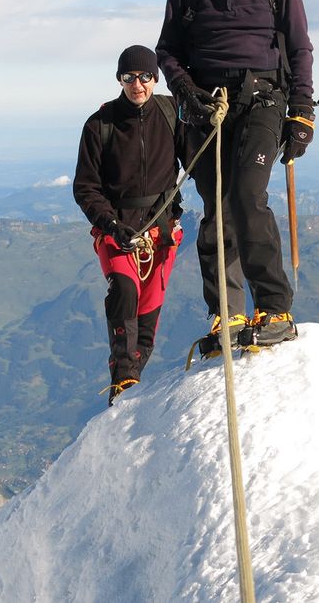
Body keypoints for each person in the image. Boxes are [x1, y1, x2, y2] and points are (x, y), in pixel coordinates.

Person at [155, 0, 316, 355]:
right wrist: (186, 91)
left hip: (263, 99)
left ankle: (275, 308)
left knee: (246, 196)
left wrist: (302, 111)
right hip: (205, 108)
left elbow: (299, 43)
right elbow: (167, 50)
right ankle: (227, 312)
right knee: (217, 208)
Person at [73, 45, 185, 405]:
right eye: (129, 77)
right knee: (123, 291)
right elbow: (86, 187)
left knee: (150, 308)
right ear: (119, 79)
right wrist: (109, 223)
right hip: (116, 229)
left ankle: (136, 373)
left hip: (161, 230)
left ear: (155, 78)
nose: (138, 84)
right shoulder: (100, 124)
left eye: (145, 76)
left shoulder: (172, 113)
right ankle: (123, 377)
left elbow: (196, 153)